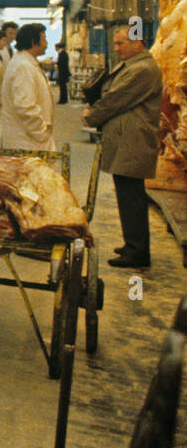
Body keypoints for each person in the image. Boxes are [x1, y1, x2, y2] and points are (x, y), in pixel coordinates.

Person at [82, 25, 163, 269]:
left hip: (134, 141)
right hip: (127, 141)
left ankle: (137, 252)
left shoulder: (142, 69)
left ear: (137, 42)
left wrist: (91, 116)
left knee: (132, 198)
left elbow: (116, 99)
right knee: (128, 195)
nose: (116, 49)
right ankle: (132, 244)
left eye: (120, 44)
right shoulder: (134, 66)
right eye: (115, 43)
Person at [0, 23, 54, 151]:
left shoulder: (26, 63)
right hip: (27, 142)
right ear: (34, 42)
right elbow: (25, 106)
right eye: (44, 39)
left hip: (29, 140)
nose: (46, 43)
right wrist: (41, 133)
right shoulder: (23, 66)